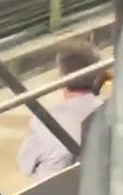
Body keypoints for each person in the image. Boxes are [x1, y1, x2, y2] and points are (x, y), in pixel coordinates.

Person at [17, 40, 105, 181]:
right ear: (98, 77)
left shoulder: (43, 121)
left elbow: (24, 166)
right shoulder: (111, 110)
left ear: (62, 78)